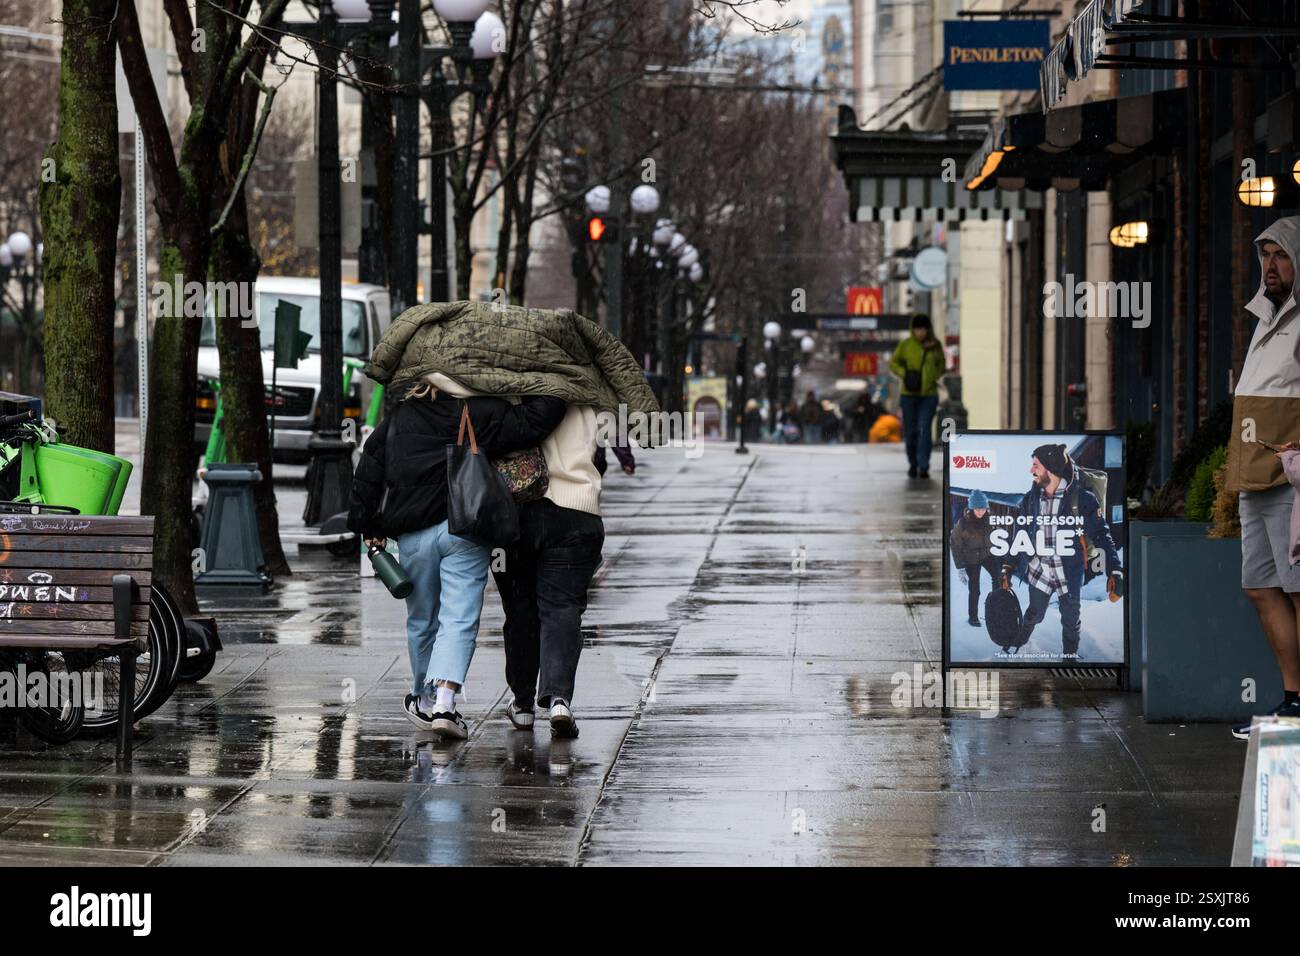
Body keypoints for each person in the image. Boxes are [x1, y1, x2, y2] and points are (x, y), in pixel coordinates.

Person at [347, 381, 566, 739]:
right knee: (459, 618)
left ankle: (423, 697)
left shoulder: (399, 418)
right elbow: (535, 420)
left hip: (413, 535)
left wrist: (367, 526)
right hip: (464, 530)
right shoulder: (479, 412)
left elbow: (368, 472)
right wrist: (553, 380)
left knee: (422, 620)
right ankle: (446, 703)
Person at [493, 401, 606, 739]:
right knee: (563, 608)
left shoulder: (508, 391)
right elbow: (600, 456)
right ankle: (559, 699)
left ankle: (524, 703)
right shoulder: (584, 393)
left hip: (515, 512)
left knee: (519, 610)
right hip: (576, 510)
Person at [1227, 215, 1300, 739]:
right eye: (1265, 255)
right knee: (1260, 586)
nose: (1270, 266)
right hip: (1255, 471)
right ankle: (1293, 697)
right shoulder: (1266, 315)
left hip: (1292, 476)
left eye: (1281, 255)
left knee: (1299, 589)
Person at [1002, 443, 1123, 660]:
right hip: (1039, 570)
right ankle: (1017, 643)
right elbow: (1019, 536)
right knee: (1034, 614)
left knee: (1070, 618)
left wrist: (1115, 569)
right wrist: (1008, 567)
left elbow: (1102, 535)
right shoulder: (1030, 500)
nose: (1031, 471)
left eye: (1036, 465)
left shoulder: (1083, 500)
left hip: (1069, 570)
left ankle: (1070, 655)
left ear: (1051, 468)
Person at [888, 314, 946, 479]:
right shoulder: (906, 345)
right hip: (909, 395)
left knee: (924, 429)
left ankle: (923, 465)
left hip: (929, 395)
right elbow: (893, 363)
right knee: (911, 431)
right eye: (917, 329)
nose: (920, 332)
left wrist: (932, 375)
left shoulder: (935, 346)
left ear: (928, 329)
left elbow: (942, 366)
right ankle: (913, 463)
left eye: (923, 329)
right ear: (913, 330)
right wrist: (905, 374)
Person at [950, 490, 999, 627]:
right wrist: (960, 568)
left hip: (986, 555)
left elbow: (998, 535)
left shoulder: (990, 519)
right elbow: (955, 545)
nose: (980, 512)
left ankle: (995, 609)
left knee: (998, 577)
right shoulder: (963, 523)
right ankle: (973, 617)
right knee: (974, 589)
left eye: (983, 508)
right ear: (971, 508)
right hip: (970, 558)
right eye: (977, 508)